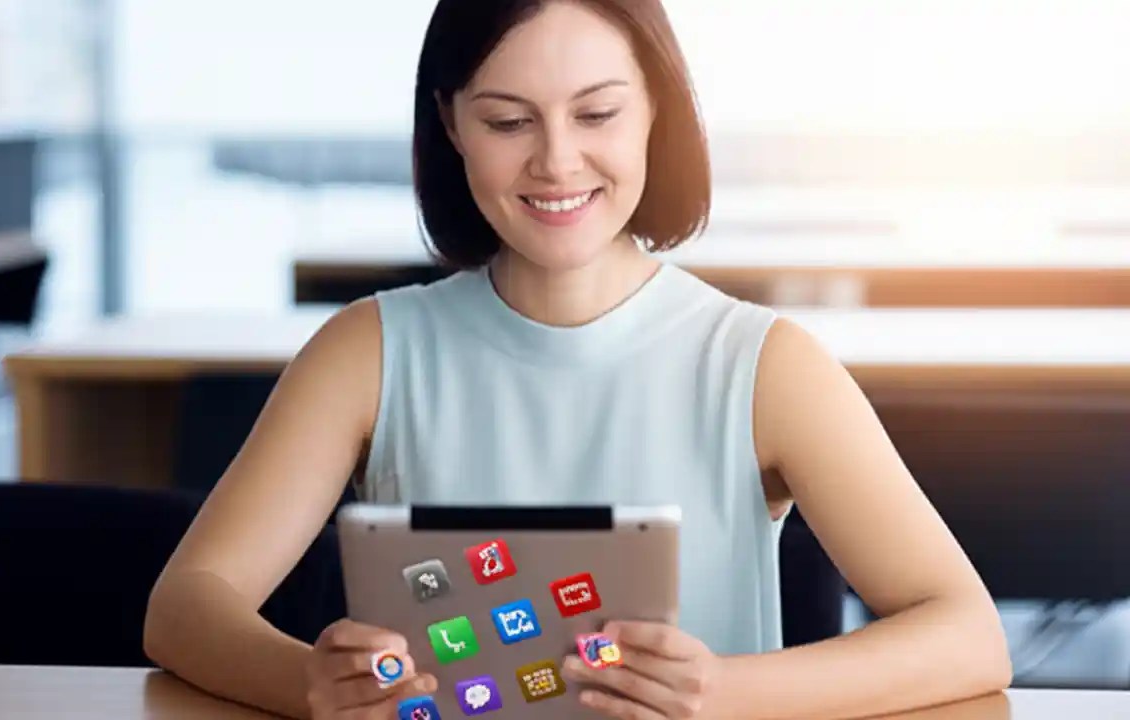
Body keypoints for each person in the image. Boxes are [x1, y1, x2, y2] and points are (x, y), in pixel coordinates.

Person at [144, 1, 1013, 718]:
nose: (556, 160)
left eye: (596, 113)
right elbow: (185, 607)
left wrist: (720, 692)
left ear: (656, 114)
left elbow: (969, 636)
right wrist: (306, 682)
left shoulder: (763, 364)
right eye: (507, 120)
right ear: (450, 123)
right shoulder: (366, 351)